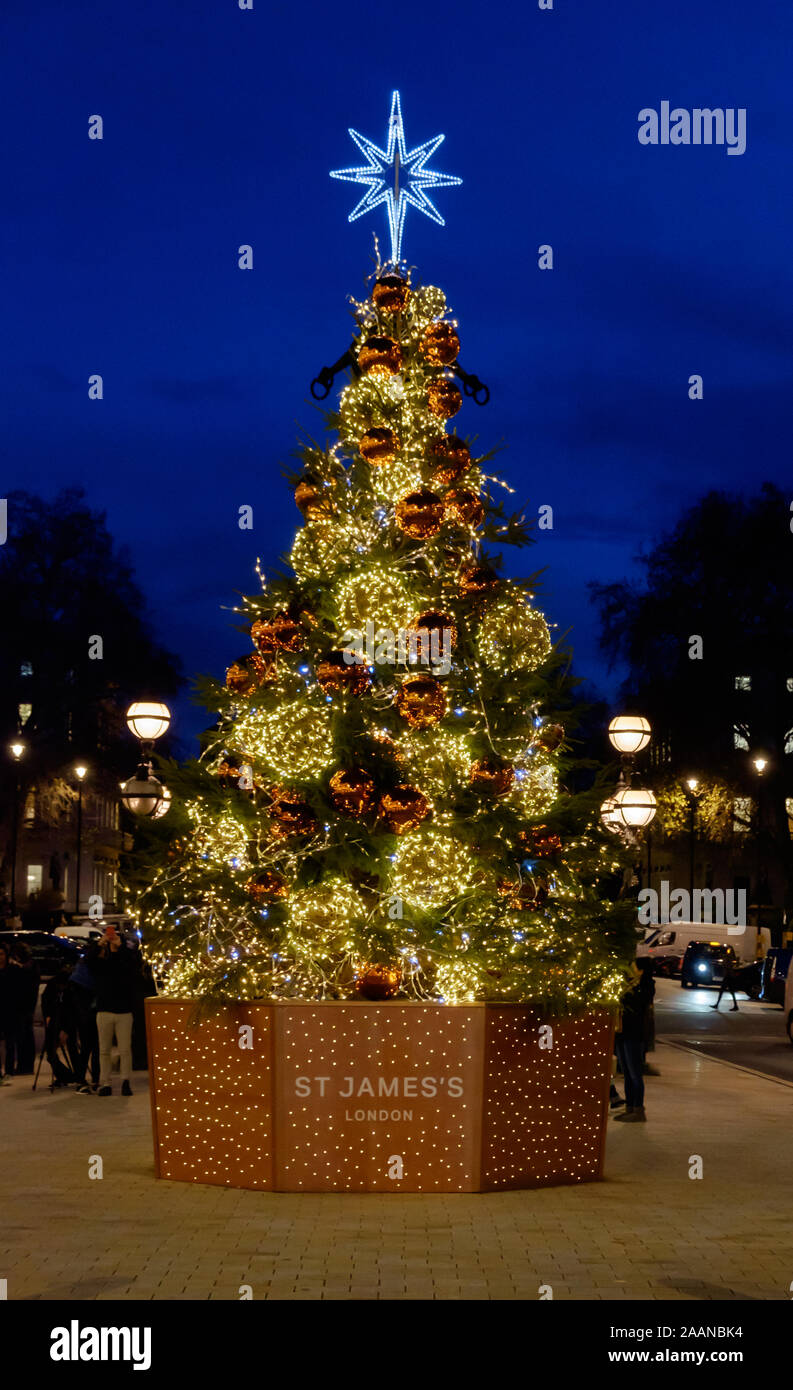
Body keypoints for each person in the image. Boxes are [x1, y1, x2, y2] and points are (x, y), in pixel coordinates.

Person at [89, 928, 138, 1096]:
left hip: (124, 1010)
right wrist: (99, 944)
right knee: (104, 1049)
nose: (111, 939)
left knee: (125, 1049)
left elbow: (133, 964)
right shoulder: (101, 962)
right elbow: (88, 961)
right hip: (104, 1010)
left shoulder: (126, 958)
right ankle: (105, 1082)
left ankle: (126, 1081)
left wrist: (121, 946)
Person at [614, 959, 655, 1123]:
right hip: (622, 1032)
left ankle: (638, 1109)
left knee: (635, 1073)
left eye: (633, 967)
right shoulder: (627, 984)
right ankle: (630, 1107)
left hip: (634, 1034)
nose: (630, 969)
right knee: (627, 1074)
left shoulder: (646, 986)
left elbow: (637, 1004)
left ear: (641, 971)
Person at [41, 964, 81, 1088]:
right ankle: (65, 1076)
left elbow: (73, 1011)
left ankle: (79, 1076)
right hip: (54, 1019)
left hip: (69, 1021)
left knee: (72, 1048)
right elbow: (45, 1000)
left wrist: (66, 1030)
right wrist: (47, 1015)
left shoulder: (72, 987)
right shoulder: (52, 984)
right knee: (50, 1052)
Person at [70, 951, 100, 1093]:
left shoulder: (79, 973)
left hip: (84, 1015)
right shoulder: (89, 973)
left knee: (87, 1048)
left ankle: (82, 1079)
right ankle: (94, 1079)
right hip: (89, 1015)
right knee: (94, 1048)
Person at [10, 942, 39, 1074]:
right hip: (26, 1005)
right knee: (25, 1036)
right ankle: (26, 1066)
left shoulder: (28, 967)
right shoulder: (31, 965)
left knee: (23, 1037)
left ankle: (24, 1066)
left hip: (23, 1006)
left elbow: (25, 977)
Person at [0, 941, 19, 1081]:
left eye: (1, 954)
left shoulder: (12, 970)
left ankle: (9, 1071)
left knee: (10, 1042)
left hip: (10, 1010)